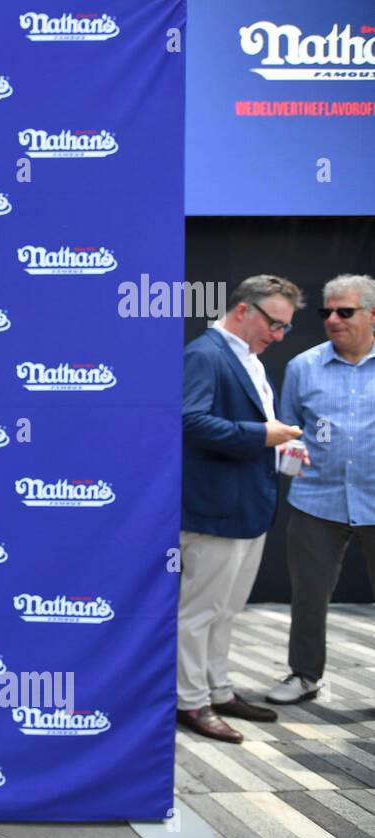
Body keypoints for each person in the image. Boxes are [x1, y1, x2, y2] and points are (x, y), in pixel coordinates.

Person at [178, 275, 304, 743]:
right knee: (199, 611)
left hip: (247, 508)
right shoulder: (206, 354)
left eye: (286, 328)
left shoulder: (246, 358)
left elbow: (255, 426)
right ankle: (189, 700)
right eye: (275, 323)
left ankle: (218, 687)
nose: (278, 335)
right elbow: (189, 421)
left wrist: (283, 446)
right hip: (215, 509)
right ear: (244, 309)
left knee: (226, 610)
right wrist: (261, 437)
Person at [270, 274, 375, 705]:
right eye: (326, 312)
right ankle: (304, 675)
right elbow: (286, 430)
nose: (333, 319)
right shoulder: (302, 368)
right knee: (309, 596)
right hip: (316, 500)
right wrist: (291, 450)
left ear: (372, 316)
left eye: (344, 311)